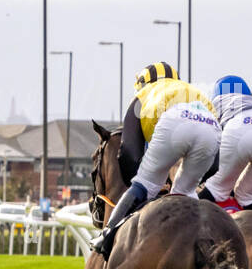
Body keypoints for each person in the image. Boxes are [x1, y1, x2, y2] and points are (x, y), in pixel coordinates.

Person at [90, 61, 220, 255]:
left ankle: (106, 236)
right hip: (210, 126)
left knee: (143, 183)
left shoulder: (142, 96)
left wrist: (143, 187)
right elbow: (214, 166)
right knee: (185, 191)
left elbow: (129, 155)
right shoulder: (190, 90)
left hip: (175, 123)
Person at [200, 75, 252, 212]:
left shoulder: (216, 102)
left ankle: (182, 221)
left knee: (217, 188)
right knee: (247, 195)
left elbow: (208, 144)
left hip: (241, 128)